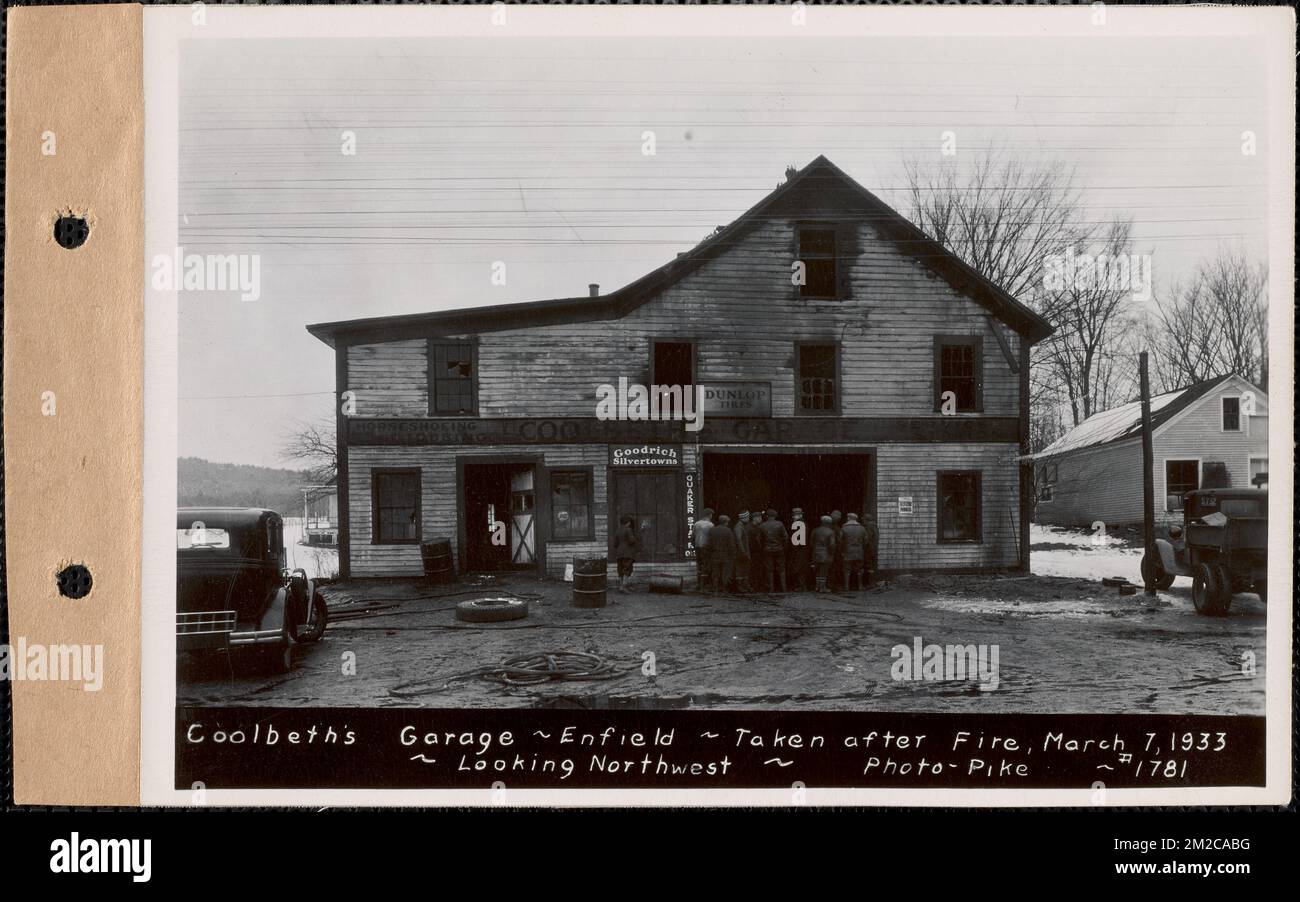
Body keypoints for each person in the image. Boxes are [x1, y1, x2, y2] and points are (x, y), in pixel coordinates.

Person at [758, 508, 788, 592]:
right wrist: (784, 547)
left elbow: (758, 539)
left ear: (767, 516)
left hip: (767, 550)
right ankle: (784, 588)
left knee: (769, 569)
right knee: (781, 569)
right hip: (779, 549)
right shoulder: (780, 524)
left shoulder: (762, 525)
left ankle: (771, 588)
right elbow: (786, 537)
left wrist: (761, 547)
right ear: (775, 516)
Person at [839, 512, 869, 591]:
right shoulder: (862, 528)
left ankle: (846, 586)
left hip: (847, 551)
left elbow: (840, 540)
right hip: (859, 551)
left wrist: (842, 550)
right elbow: (866, 541)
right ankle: (860, 586)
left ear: (848, 518)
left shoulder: (844, 528)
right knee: (859, 569)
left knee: (846, 569)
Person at [709, 515, 737, 594]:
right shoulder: (728, 531)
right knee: (725, 573)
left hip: (715, 555)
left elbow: (709, 544)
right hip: (726, 556)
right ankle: (724, 589)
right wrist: (733, 554)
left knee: (715, 573)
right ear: (725, 522)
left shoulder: (712, 530)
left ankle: (715, 589)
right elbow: (732, 545)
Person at [613, 514, 640, 594]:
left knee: (620, 569)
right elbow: (631, 541)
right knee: (627, 569)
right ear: (628, 522)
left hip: (619, 553)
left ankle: (621, 586)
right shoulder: (628, 530)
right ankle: (624, 586)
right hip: (628, 553)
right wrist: (636, 540)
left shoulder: (617, 530)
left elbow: (615, 544)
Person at [788, 507, 812, 591]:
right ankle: (803, 585)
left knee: (798, 567)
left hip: (798, 549)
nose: (793, 517)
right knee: (802, 567)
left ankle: (801, 586)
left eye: (794, 515)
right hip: (804, 548)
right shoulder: (804, 523)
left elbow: (795, 540)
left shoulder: (796, 524)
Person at [811, 515, 837, 593]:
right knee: (824, 571)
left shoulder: (815, 530)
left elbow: (811, 543)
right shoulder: (831, 532)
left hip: (815, 553)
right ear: (829, 523)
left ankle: (817, 586)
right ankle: (822, 588)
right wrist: (832, 553)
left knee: (817, 570)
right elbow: (832, 545)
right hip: (826, 554)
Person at [692, 508, 715, 593]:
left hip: (698, 548)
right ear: (709, 515)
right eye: (711, 515)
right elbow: (712, 538)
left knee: (699, 565)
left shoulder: (696, 524)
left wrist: (695, 545)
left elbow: (692, 537)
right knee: (706, 566)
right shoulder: (711, 525)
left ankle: (699, 585)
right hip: (706, 548)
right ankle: (704, 586)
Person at [733, 511, 752, 593]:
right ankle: (740, 587)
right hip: (741, 553)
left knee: (745, 569)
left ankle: (745, 586)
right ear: (743, 518)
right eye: (747, 517)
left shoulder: (742, 526)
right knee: (740, 570)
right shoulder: (738, 527)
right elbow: (738, 539)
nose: (748, 519)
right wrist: (743, 552)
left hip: (743, 552)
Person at [862, 512, 879, 587]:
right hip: (874, 547)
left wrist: (864, 546)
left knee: (869, 565)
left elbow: (868, 538)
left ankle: (870, 583)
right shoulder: (875, 526)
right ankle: (873, 582)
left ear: (866, 520)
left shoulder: (868, 526)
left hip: (869, 548)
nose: (863, 521)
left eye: (864, 520)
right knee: (872, 564)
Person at [828, 510, 844, 591]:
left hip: (829, 550)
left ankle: (830, 584)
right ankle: (834, 584)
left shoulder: (828, 526)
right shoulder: (837, 528)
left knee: (830, 568)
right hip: (835, 550)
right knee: (835, 568)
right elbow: (839, 540)